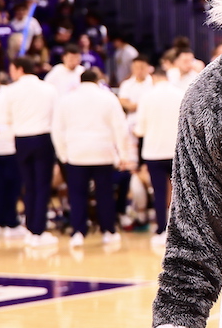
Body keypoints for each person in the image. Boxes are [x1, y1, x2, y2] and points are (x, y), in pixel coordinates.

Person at [51, 68, 132, 247]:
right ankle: (108, 231)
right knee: (105, 193)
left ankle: (78, 233)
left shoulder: (66, 99)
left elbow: (57, 129)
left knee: (77, 194)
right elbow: (120, 127)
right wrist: (123, 154)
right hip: (103, 152)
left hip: (76, 153)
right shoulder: (108, 98)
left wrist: (63, 154)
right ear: (97, 81)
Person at [7, 57, 58, 245]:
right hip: (43, 138)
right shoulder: (48, 88)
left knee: (28, 185)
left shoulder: (10, 91)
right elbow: (56, 115)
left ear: (20, 69)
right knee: (42, 185)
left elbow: (5, 118)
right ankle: (39, 230)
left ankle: (30, 229)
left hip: (21, 139)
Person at [132, 64, 184, 244]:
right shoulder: (180, 94)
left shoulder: (146, 97)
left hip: (154, 152)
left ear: (154, 78)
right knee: (180, 193)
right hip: (176, 151)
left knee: (159, 193)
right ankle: (180, 232)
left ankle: (161, 230)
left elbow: (140, 129)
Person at [0, 67, 23, 238]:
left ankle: (1, 221)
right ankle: (11, 221)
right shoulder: (11, 95)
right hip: (9, 145)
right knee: (12, 186)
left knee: (2, 185)